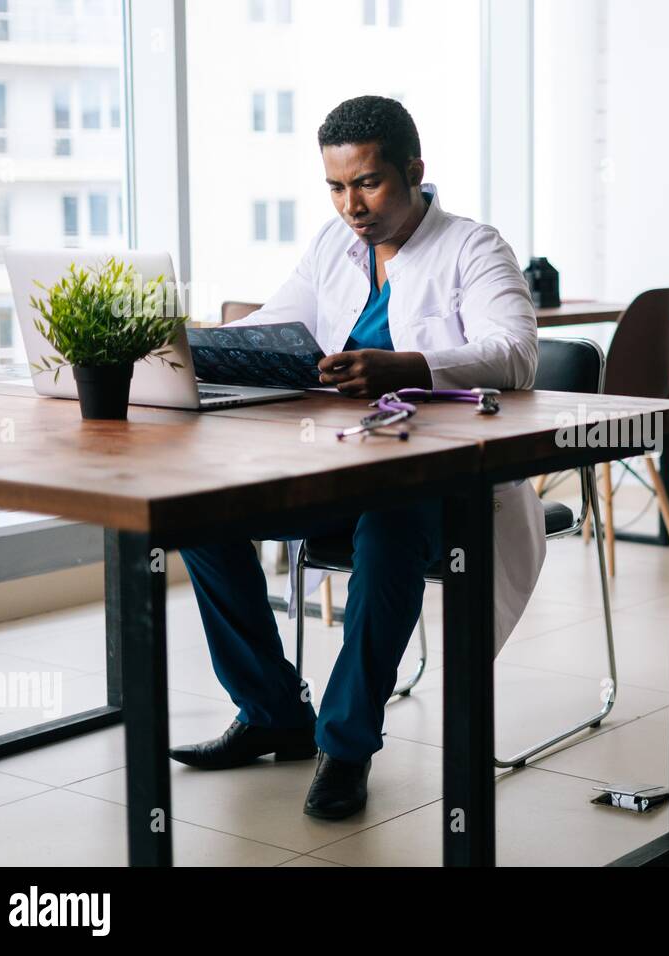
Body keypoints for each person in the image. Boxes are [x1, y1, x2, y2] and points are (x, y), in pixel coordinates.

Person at [171, 95, 546, 820]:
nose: (352, 205)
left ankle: (345, 744)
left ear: (414, 171)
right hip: (337, 463)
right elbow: (276, 324)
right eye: (337, 187)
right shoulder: (331, 247)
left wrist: (406, 365)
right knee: (199, 515)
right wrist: (193, 341)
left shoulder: (473, 245)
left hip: (443, 477)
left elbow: (516, 354)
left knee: (393, 524)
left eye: (368, 183)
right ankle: (273, 709)